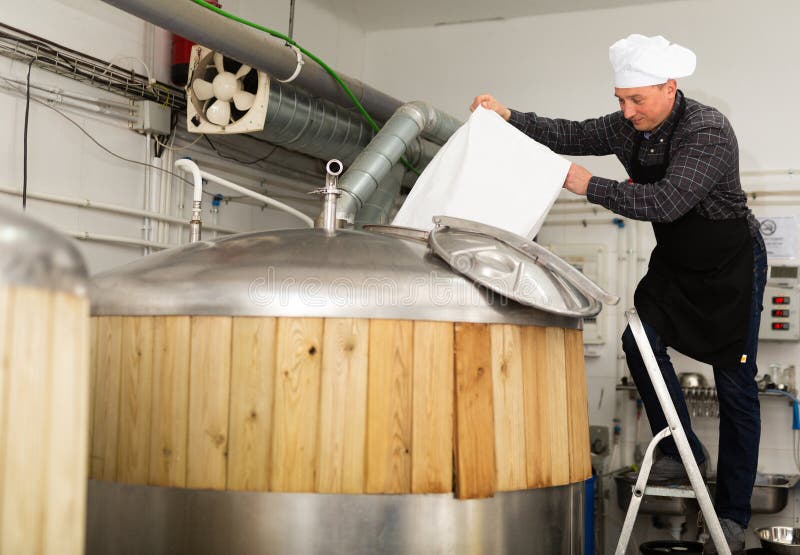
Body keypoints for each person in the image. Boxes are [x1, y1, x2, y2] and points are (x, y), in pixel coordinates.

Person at [471, 34, 766, 554]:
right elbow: (570, 132)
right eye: (620, 99)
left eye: (637, 100)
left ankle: (734, 514)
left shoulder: (707, 129)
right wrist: (509, 115)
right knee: (638, 340)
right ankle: (680, 448)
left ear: (670, 89)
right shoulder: (629, 122)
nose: (626, 112)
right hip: (677, 264)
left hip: (730, 266)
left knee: (735, 387)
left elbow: (669, 200)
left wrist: (587, 184)